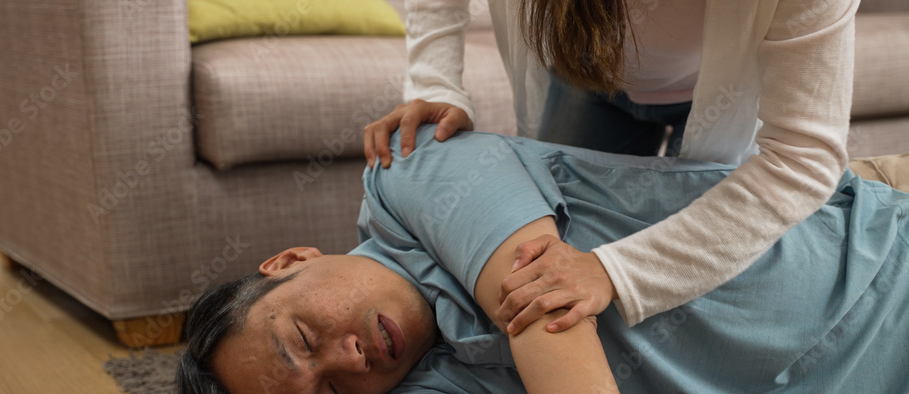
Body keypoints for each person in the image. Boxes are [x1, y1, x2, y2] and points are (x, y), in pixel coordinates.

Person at [178, 127, 909, 394]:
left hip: (884, 270)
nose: (349, 362)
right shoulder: (415, 392)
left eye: (302, 338)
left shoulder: (415, 171)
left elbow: (539, 306)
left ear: (289, 261)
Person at [363, 0, 860, 336]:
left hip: (721, 88)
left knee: (694, 291)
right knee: (556, 264)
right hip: (585, 72)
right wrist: (436, 84)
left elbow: (802, 158)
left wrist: (616, 271)